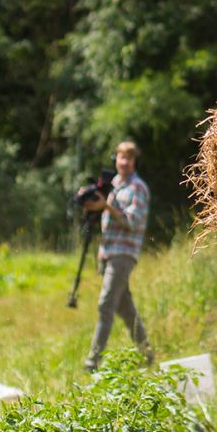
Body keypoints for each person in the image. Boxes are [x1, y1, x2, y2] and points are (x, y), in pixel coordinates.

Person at [83, 140, 154, 372]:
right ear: (116, 159)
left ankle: (93, 361)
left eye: (128, 158)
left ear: (134, 161)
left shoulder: (138, 188)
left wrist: (106, 207)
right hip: (107, 251)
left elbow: (132, 222)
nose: (123, 162)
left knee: (105, 305)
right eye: (120, 158)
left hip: (124, 253)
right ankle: (147, 354)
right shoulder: (112, 184)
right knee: (125, 308)